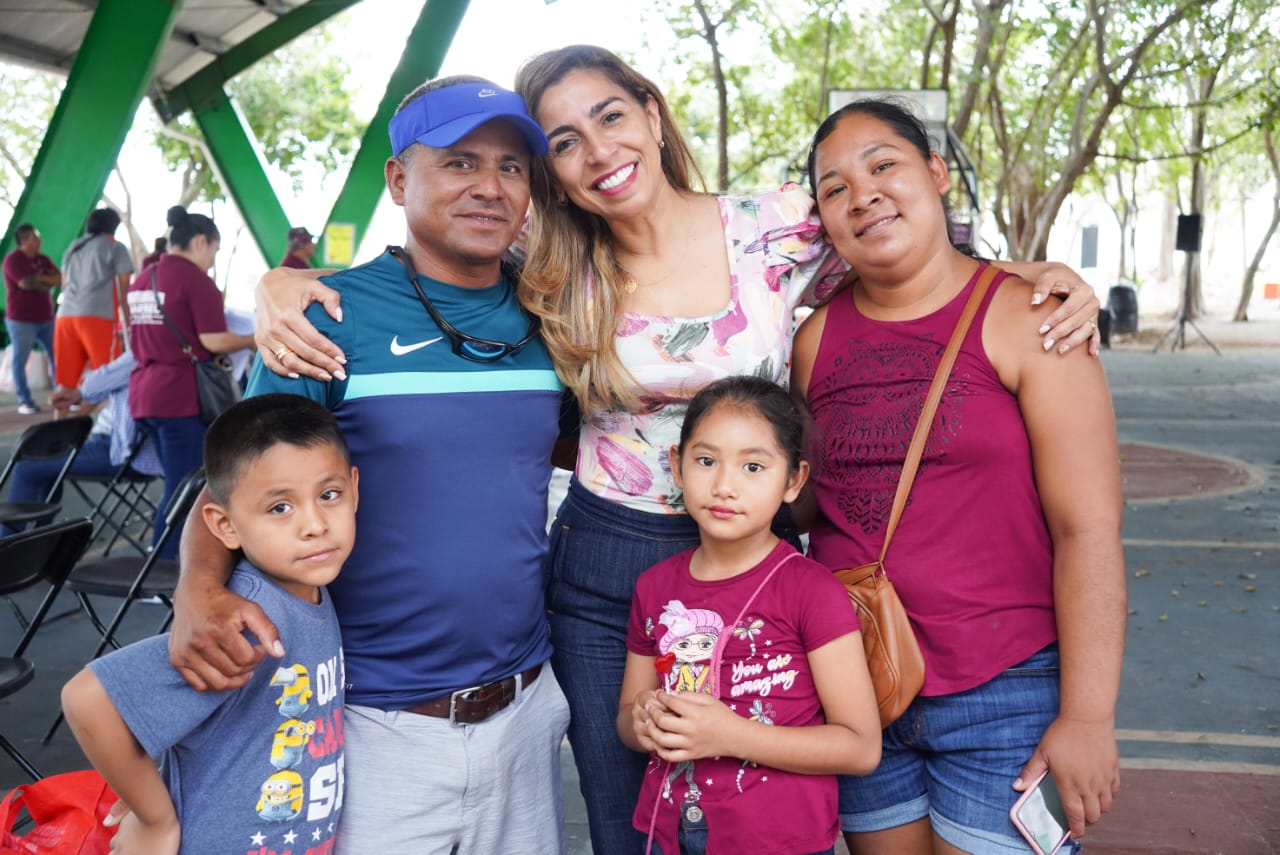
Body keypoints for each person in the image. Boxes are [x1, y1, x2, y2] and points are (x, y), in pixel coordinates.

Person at [247, 46, 1103, 854]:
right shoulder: (547, 263)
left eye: (612, 115)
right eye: (565, 142)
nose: (599, 150)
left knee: (760, 815)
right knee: (637, 826)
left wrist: (1039, 272)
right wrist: (279, 284)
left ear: (654, 116)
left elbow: (895, 238)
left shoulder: (775, 228)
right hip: (603, 572)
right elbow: (424, 259)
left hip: (758, 566)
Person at [166, 77, 571, 853]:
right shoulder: (325, 314)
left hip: (526, 708)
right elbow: (239, 486)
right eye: (458, 163)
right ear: (397, 179)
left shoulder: (554, 316)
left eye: (512, 167)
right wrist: (196, 588)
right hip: (374, 721)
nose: (490, 187)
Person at [791, 98, 1125, 854]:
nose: (862, 194)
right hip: (861, 680)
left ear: (937, 174)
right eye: (834, 187)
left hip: (1005, 687)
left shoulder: (1032, 318)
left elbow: (1089, 526)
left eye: (884, 166)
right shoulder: (812, 339)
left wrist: (1088, 715)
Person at [62, 393, 355, 855]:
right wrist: (153, 819)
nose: (315, 524)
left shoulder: (308, 587)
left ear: (354, 490)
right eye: (280, 508)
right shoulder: (251, 617)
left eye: (329, 495)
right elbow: (88, 698)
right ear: (224, 526)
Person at [619, 375, 880, 855]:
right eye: (705, 461)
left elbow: (860, 747)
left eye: (753, 467)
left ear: (793, 481)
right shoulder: (654, 587)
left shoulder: (810, 589)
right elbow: (628, 715)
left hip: (782, 839)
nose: (724, 486)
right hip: (670, 832)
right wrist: (643, 722)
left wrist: (732, 735)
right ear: (676, 467)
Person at [126, 206, 254, 558]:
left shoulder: (144, 278)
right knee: (185, 487)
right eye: (213, 250)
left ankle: (166, 560)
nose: (212, 260)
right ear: (201, 241)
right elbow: (213, 340)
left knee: (176, 483)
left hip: (144, 394)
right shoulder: (195, 281)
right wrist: (251, 340)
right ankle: (163, 567)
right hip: (180, 396)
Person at [0, 350, 161, 538]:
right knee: (45, 468)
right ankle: (29, 544)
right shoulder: (177, 354)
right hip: (143, 452)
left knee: (29, 467)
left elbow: (94, 384)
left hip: (121, 452)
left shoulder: (143, 351)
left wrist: (77, 391)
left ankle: (8, 548)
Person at [56, 207, 134, 391]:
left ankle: (59, 418)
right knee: (111, 377)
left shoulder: (73, 247)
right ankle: (92, 415)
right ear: (113, 226)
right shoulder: (114, 246)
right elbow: (124, 288)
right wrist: (129, 321)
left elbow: (63, 284)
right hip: (97, 317)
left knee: (66, 382)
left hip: (65, 316)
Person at [3, 223, 59, 414]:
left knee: (57, 355)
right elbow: (26, 283)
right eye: (35, 237)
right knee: (21, 359)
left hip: (46, 317)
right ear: (24, 240)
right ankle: (24, 400)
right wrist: (44, 281)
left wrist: (40, 281)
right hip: (21, 319)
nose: (39, 241)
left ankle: (61, 394)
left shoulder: (43, 259)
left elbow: (59, 279)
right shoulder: (13, 260)